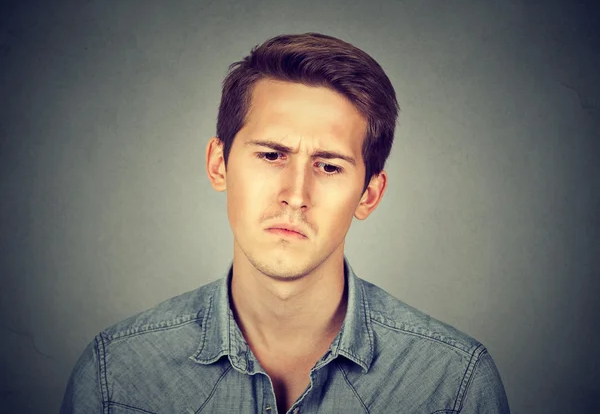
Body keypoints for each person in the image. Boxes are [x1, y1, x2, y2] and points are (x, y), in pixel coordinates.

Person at [61, 32, 510, 414]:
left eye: (329, 166)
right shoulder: (115, 375)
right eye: (272, 155)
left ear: (369, 194)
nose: (295, 195)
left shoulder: (453, 384)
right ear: (219, 164)